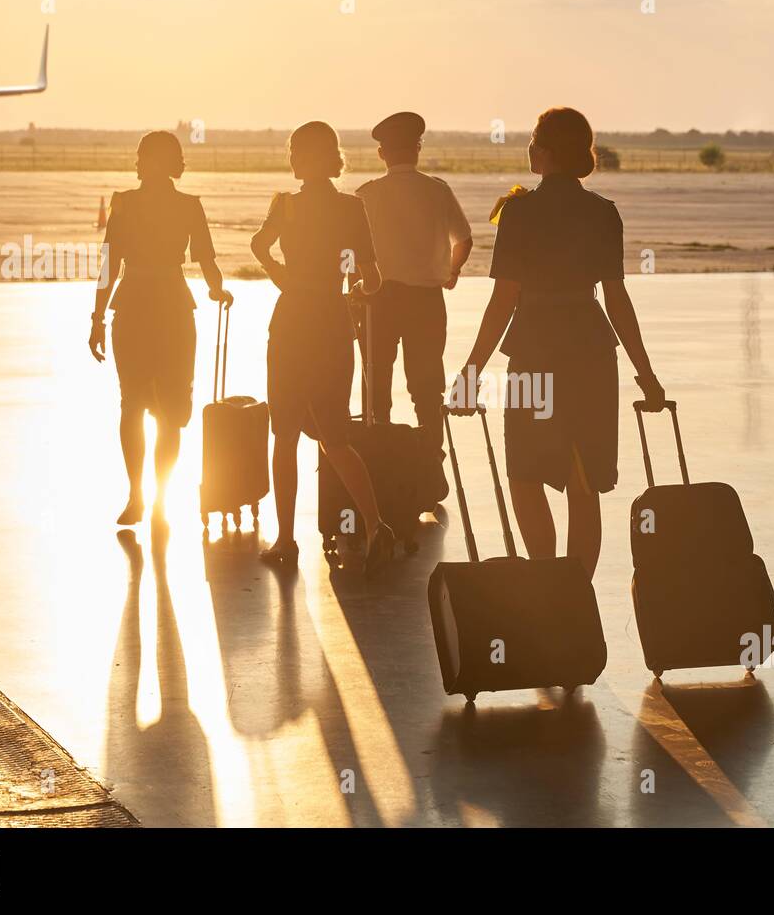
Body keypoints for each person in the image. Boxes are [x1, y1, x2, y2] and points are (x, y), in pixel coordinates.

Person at [454, 107, 665, 578]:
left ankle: (547, 580)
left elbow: (502, 300)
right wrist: (645, 375)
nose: (528, 147)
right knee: (583, 479)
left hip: (533, 351)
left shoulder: (520, 212)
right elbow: (617, 299)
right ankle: (576, 592)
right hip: (591, 352)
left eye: (533, 140)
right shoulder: (603, 212)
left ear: (544, 152)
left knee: (525, 472)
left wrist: (471, 372)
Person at [250, 121, 395, 574]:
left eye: (295, 152)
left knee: (285, 435)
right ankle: (375, 524)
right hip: (333, 323)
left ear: (305, 158)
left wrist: (281, 275)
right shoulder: (352, 208)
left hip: (292, 321)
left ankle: (286, 538)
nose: (291, 160)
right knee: (335, 436)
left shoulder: (286, 207)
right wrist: (353, 284)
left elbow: (258, 245)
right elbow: (371, 277)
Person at [90, 130, 232, 526]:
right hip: (155, 306)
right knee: (139, 405)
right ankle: (140, 493)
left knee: (160, 409)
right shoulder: (128, 203)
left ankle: (157, 496)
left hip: (152, 305)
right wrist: (96, 317)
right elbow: (108, 263)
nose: (140, 163)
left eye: (146, 156)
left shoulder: (184, 206)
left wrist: (218, 289)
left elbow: (205, 260)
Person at [356, 111, 473, 502]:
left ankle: (379, 465)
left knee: (378, 384)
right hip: (426, 299)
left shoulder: (367, 194)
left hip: (379, 299)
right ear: (417, 149)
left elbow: (352, 252)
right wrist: (451, 273)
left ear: (381, 153)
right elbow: (464, 239)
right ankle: (429, 469)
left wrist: (356, 284)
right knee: (426, 387)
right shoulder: (437, 190)